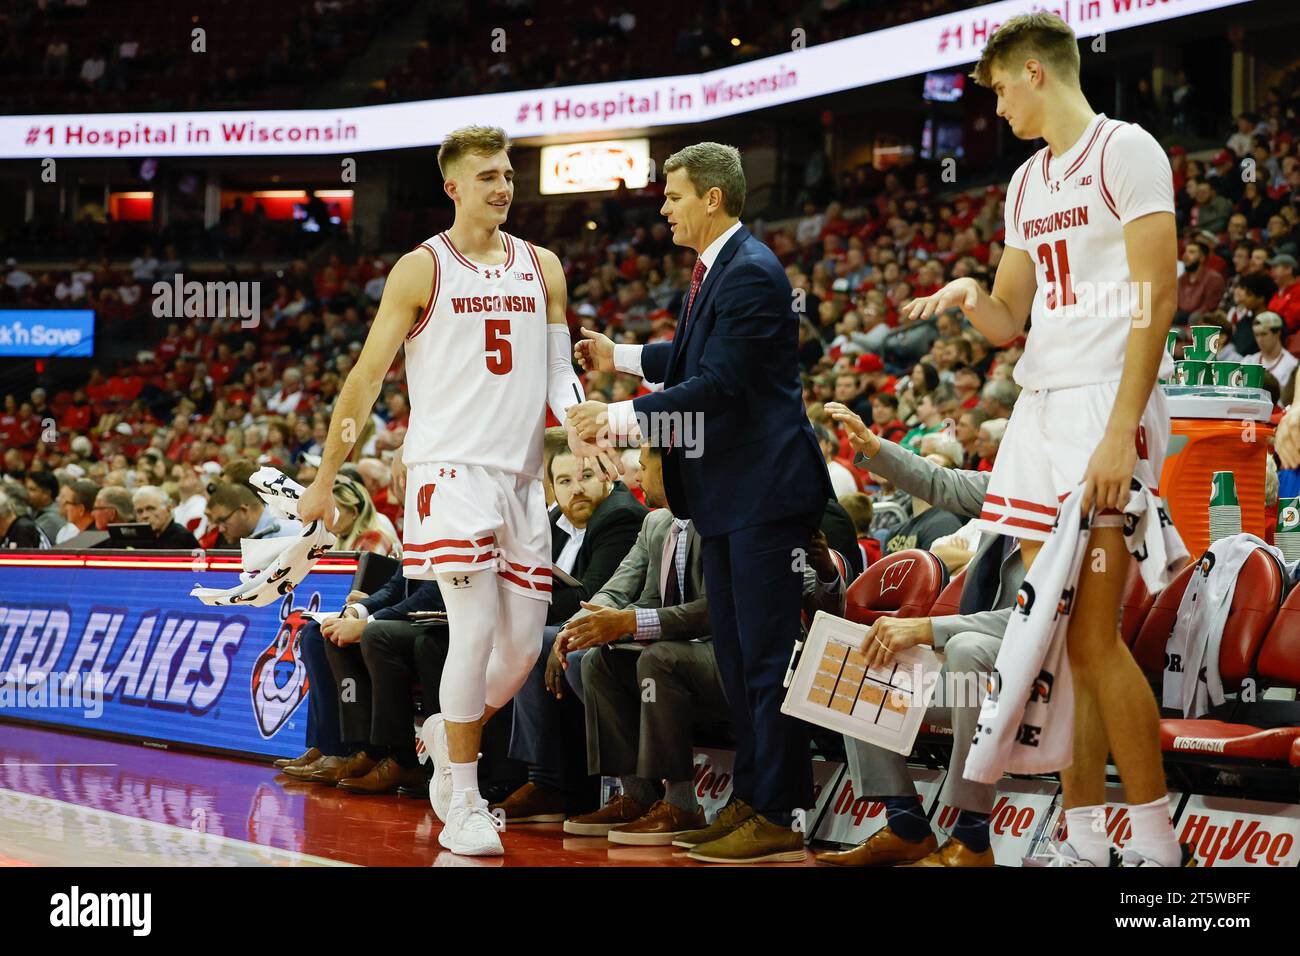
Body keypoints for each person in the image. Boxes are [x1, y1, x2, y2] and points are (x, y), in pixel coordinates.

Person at [906, 12, 1188, 867]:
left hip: (1111, 404)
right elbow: (1007, 321)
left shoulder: (1126, 150)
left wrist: (1119, 433)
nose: (995, 107)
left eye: (997, 88)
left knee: (1095, 639)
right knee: (1063, 644)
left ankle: (1155, 843)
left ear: (1034, 71)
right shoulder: (1025, 183)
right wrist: (966, 292)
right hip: (1043, 409)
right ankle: (1088, 837)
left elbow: (1158, 298)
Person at [296, 125, 617, 858]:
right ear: (453, 187)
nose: (503, 187)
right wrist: (321, 477)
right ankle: (466, 802)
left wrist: (580, 419)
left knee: (517, 653)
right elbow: (366, 377)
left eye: (507, 174)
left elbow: (558, 374)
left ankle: (445, 731)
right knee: (470, 632)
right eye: (487, 177)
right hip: (448, 472)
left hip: (521, 477)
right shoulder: (421, 269)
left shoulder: (545, 266)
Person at [569, 141, 834, 864]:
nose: (664, 206)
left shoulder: (750, 274)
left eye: (674, 194)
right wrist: (619, 355)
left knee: (764, 659)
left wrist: (617, 417)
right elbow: (687, 357)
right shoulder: (720, 270)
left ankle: (776, 811)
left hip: (765, 497)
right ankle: (750, 801)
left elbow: (715, 388)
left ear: (711, 198)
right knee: (745, 653)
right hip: (729, 497)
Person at [131, 486, 200, 548]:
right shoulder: (139, 539)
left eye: (150, 509)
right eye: (139, 511)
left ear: (168, 508)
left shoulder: (183, 538)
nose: (144, 516)